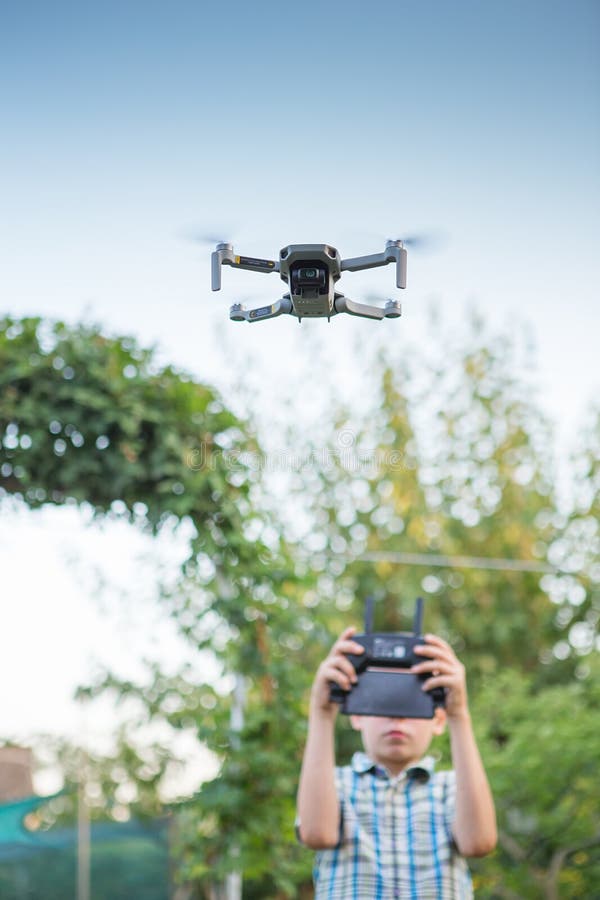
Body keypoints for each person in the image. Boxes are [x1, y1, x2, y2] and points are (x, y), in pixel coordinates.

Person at [297, 626, 497, 898]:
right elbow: (316, 834)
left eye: (411, 699)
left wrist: (459, 715)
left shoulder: (452, 787)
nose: (397, 717)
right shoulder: (333, 785)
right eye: (383, 697)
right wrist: (321, 712)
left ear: (437, 719)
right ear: (357, 713)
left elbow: (479, 842)